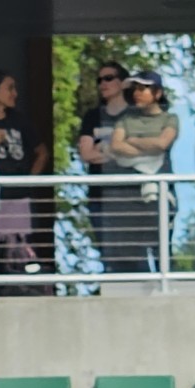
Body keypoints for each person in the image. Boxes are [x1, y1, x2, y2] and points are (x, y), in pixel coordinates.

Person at [0, 69, 50, 270]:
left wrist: (30, 180)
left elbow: (42, 152)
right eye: (9, 88)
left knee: (19, 245)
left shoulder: (20, 120)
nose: (15, 93)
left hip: (18, 194)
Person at [100, 71, 178, 272]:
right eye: (135, 89)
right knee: (133, 248)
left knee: (161, 243)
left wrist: (133, 141)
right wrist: (147, 146)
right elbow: (116, 146)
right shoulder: (126, 119)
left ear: (157, 93)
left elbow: (163, 143)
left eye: (143, 88)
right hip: (129, 195)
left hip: (160, 195)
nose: (137, 93)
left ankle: (167, 283)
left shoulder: (170, 118)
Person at [77, 62, 130, 245]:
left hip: (131, 196)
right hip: (100, 196)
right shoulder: (92, 116)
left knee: (134, 255)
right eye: (99, 80)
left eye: (108, 78)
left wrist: (102, 150)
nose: (103, 84)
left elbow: (140, 154)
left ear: (123, 83)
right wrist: (118, 152)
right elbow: (86, 154)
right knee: (108, 255)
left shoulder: (135, 115)